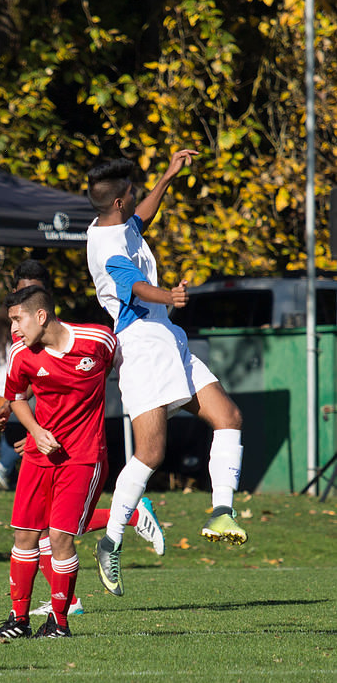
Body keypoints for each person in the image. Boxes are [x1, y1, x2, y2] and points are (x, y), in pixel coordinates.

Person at [86, 149, 245, 596]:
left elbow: (142, 217)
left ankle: (221, 511)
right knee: (152, 453)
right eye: (131, 193)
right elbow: (131, 284)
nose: (137, 198)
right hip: (141, 346)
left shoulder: (115, 222)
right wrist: (167, 296)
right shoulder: (108, 245)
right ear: (118, 202)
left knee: (228, 417)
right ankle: (111, 540)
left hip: (166, 336)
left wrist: (169, 177)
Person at [0, 285, 117, 638]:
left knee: (60, 538)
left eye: (18, 319)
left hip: (83, 457)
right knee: (25, 535)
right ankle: (19, 620)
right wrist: (34, 430)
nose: (14, 329)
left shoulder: (99, 340)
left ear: (41, 316)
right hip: (38, 456)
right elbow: (15, 396)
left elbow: (120, 367)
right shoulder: (21, 353)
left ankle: (59, 622)